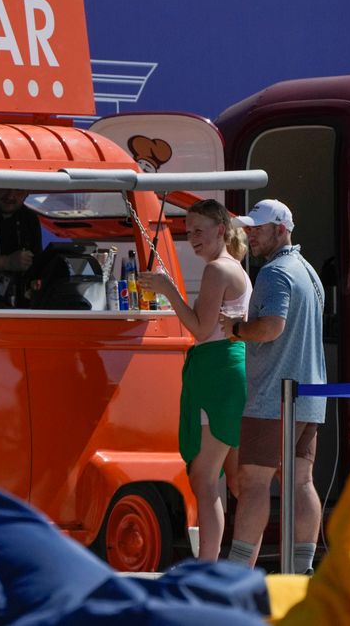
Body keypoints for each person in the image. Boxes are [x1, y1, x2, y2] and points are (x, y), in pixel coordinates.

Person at [139, 199, 250, 561]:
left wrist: (168, 289)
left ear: (221, 229)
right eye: (189, 232)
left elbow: (201, 331)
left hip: (217, 371)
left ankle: (210, 566)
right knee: (223, 480)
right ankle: (222, 563)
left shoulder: (217, 270)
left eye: (199, 230)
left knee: (205, 479)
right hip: (220, 369)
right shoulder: (231, 267)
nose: (193, 238)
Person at [219, 199, 327, 573]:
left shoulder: (274, 273)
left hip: (272, 397)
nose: (250, 235)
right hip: (308, 395)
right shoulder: (308, 272)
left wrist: (234, 329)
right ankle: (302, 569)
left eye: (258, 229)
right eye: (248, 229)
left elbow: (271, 328)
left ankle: (236, 573)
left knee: (252, 481)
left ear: (281, 229)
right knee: (300, 481)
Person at [0, 187, 41, 308]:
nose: (10, 196)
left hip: (16, 307)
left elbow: (37, 266)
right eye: (4, 188)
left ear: (28, 192)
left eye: (18, 190)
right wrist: (7, 262)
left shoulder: (30, 220)